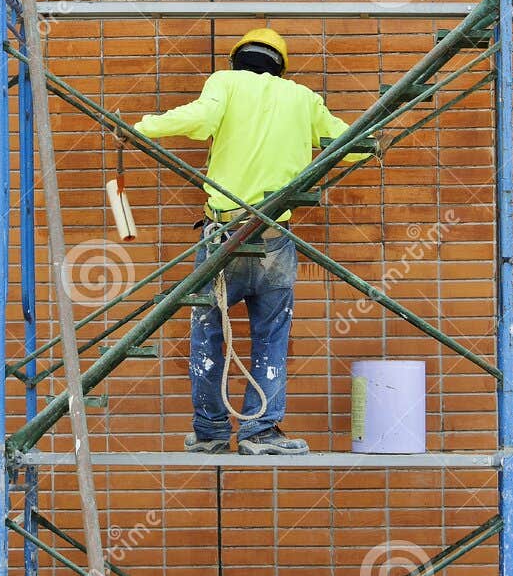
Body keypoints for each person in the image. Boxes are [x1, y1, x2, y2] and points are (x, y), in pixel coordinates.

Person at [132, 28, 372, 455]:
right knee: (271, 335)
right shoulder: (303, 99)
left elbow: (199, 120)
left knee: (206, 333)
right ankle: (260, 431)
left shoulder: (225, 83)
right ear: (280, 66)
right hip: (274, 235)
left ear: (236, 60)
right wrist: (374, 138)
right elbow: (353, 147)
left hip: (223, 234)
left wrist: (141, 127)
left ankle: (210, 432)